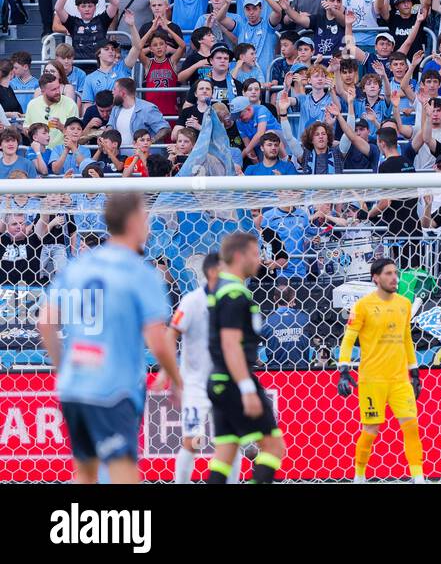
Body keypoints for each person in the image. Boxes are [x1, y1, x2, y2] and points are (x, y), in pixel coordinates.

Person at [36, 192, 183, 484]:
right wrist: (176, 379)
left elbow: (44, 322)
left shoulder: (79, 266)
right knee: (124, 475)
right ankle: (121, 531)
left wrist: (62, 366)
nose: (149, 225)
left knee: (86, 474)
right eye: (146, 218)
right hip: (113, 388)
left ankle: (78, 529)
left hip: (73, 386)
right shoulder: (140, 272)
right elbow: (157, 338)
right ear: (133, 222)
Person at [205, 230, 285, 484]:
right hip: (235, 381)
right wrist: (247, 387)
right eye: (255, 254)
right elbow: (230, 345)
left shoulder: (222, 289)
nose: (260, 260)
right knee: (273, 447)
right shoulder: (234, 294)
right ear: (239, 256)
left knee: (225, 454)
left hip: (219, 379)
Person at [336, 257, 425, 483]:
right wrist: (343, 370)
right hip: (372, 380)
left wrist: (414, 372)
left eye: (395, 273)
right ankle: (359, 476)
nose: (394, 277)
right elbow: (348, 340)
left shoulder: (404, 303)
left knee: (412, 427)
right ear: (375, 278)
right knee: (371, 430)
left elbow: (406, 339)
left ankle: (419, 478)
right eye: (388, 273)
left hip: (399, 380)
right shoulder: (362, 306)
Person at [161, 253, 237, 484]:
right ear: (213, 272)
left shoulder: (231, 300)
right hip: (195, 384)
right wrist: (169, 371)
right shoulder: (192, 301)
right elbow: (171, 333)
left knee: (231, 442)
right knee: (192, 441)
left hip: (225, 382)